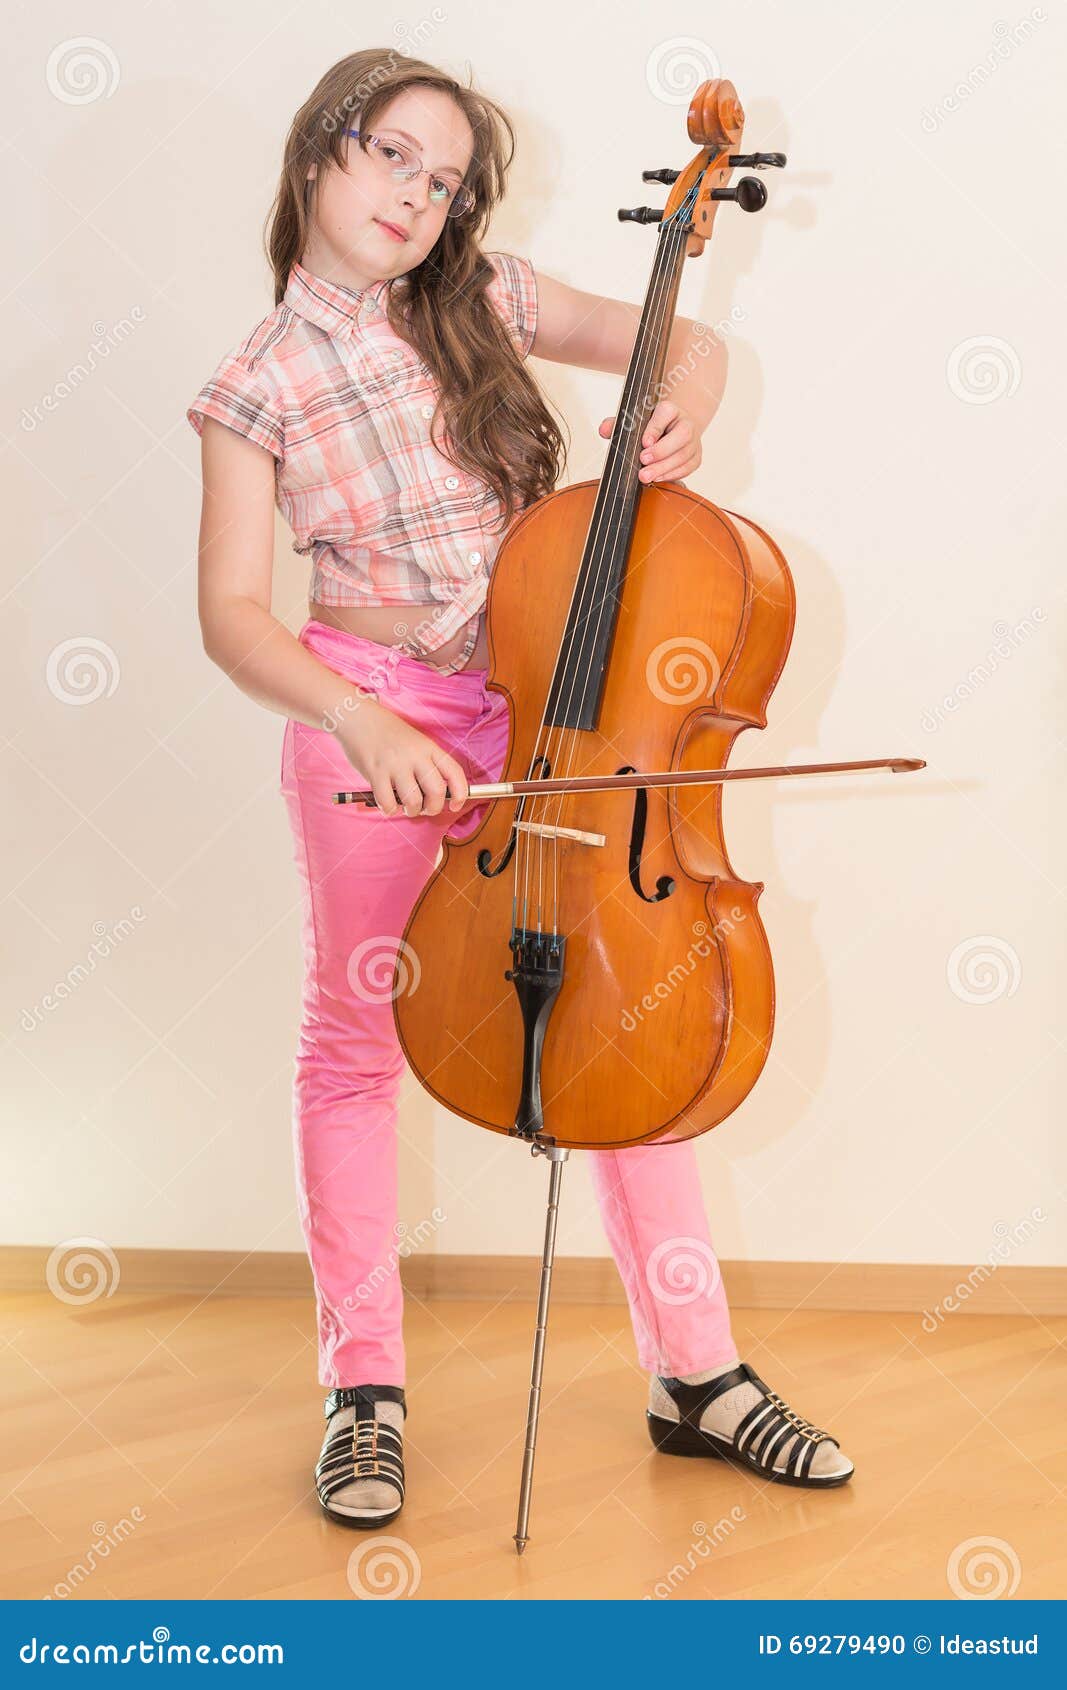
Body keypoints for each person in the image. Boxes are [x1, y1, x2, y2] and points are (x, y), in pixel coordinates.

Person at [186, 48, 853, 1532]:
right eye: (394, 158)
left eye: (444, 179)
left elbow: (687, 349)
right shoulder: (256, 378)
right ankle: (364, 1391)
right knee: (353, 1041)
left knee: (627, 1015)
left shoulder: (490, 297)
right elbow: (234, 614)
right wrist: (362, 722)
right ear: (318, 154)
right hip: (375, 724)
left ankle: (700, 1372)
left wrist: (676, 412)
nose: (419, 195)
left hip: (544, 708)